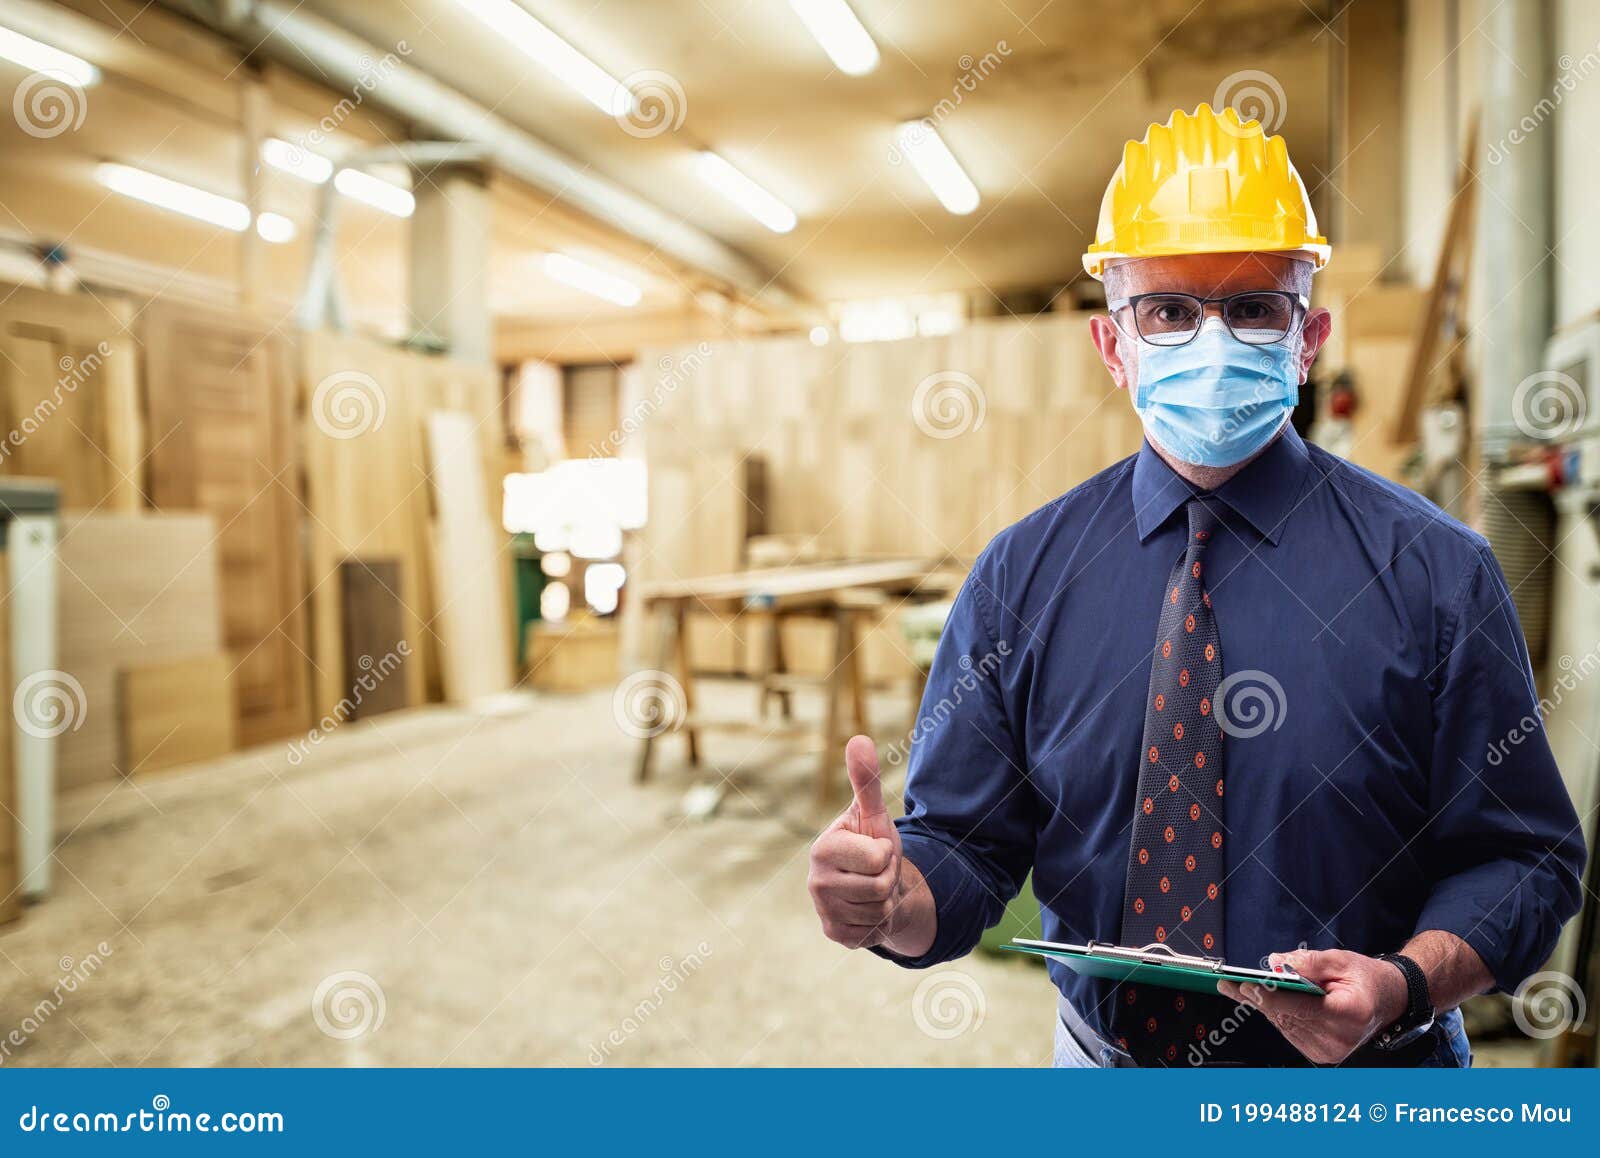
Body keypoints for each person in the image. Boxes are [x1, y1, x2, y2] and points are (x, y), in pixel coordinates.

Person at [807, 104, 1586, 1067]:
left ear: (1310, 339)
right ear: (1111, 346)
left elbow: (1524, 860)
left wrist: (1403, 985)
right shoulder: (1023, 576)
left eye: (1255, 307)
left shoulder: (1436, 573)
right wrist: (893, 902)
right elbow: (963, 850)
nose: (1211, 342)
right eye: (1169, 311)